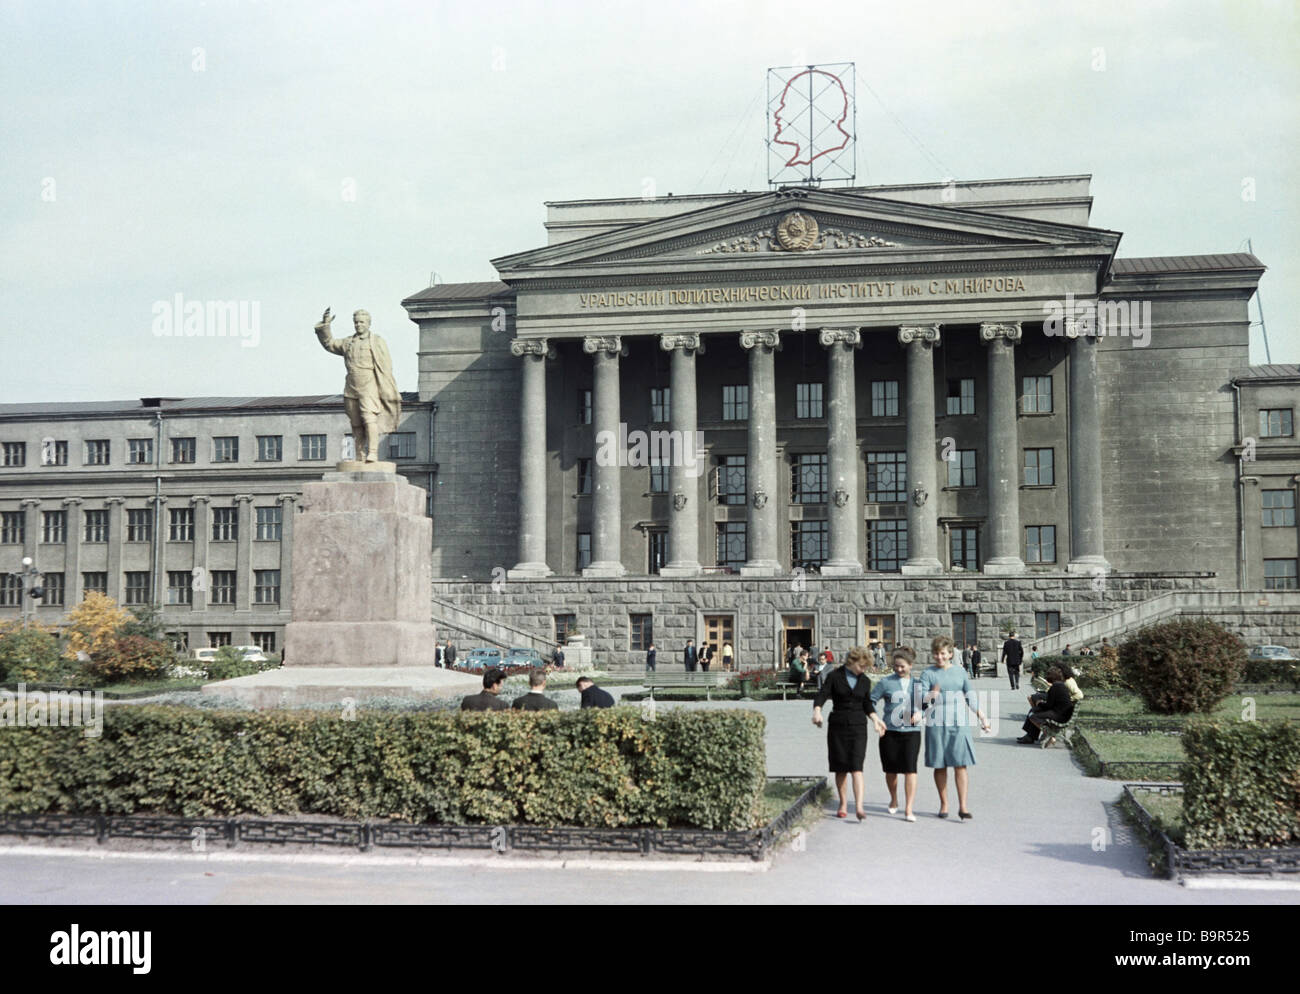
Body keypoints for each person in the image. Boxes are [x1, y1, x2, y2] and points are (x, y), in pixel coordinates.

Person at [313, 308, 402, 463]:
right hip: (351, 385)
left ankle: (372, 452)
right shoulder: (348, 342)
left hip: (369, 385)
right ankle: (359, 454)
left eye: (362, 322)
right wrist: (326, 326)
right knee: (355, 422)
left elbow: (386, 366)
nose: (358, 325)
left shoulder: (377, 341)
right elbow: (329, 344)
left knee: (369, 419)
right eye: (356, 322)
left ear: (368, 324)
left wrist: (386, 387)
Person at [920, 635, 991, 819]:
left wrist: (982, 716)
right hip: (936, 724)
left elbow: (970, 696)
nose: (939, 657)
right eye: (936, 654)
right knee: (940, 765)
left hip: (959, 723)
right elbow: (920, 701)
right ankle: (944, 804)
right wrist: (931, 695)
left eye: (943, 653)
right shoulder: (928, 673)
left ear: (950, 654)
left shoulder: (960, 672)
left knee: (961, 765)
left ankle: (963, 806)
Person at [813, 646, 887, 820]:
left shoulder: (865, 681)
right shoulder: (834, 676)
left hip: (858, 727)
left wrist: (876, 719)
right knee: (841, 768)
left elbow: (867, 703)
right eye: (862, 666)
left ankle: (859, 807)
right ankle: (843, 803)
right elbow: (823, 694)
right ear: (852, 662)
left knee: (856, 767)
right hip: (838, 726)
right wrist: (817, 711)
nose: (864, 669)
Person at [870, 646, 926, 822]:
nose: (899, 669)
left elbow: (925, 704)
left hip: (911, 733)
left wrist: (921, 714)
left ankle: (909, 808)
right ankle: (893, 799)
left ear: (911, 665)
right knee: (891, 770)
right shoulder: (886, 682)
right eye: (896, 666)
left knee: (911, 769)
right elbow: (870, 701)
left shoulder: (918, 685)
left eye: (903, 666)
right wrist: (876, 720)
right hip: (890, 732)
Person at [1018, 666, 1075, 743]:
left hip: (1059, 715)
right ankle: (1030, 736)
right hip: (1062, 713)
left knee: (1033, 716)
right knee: (1034, 710)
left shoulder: (1055, 687)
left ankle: (1050, 734)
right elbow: (1051, 703)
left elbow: (1049, 705)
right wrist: (1040, 704)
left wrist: (1039, 703)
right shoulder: (1060, 685)